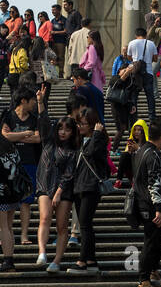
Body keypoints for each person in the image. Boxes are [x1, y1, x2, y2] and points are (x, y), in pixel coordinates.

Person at [0, 85, 43, 268]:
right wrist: (26, 134)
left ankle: (10, 255)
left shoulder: (32, 119)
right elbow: (7, 135)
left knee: (7, 221)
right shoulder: (8, 117)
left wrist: (14, 136)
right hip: (10, 174)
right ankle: (8, 257)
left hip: (13, 173)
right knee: (7, 222)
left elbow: (37, 138)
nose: (34, 103)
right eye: (33, 100)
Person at [35, 113, 78, 272]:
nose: (63, 132)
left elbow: (69, 173)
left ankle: (57, 261)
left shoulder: (73, 150)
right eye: (60, 128)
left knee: (62, 226)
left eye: (67, 129)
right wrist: (40, 104)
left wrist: (59, 192)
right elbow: (43, 124)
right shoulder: (48, 142)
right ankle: (42, 252)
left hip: (64, 190)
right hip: (45, 185)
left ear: (72, 132)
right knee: (44, 218)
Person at [131, 117, 161, 287]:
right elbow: (154, 183)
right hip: (150, 206)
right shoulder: (152, 154)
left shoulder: (141, 151)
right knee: (150, 242)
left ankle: (152, 273)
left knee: (155, 240)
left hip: (142, 203)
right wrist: (160, 208)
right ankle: (144, 282)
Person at [70, 107, 109, 275]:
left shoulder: (98, 140)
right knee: (86, 224)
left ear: (93, 124)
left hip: (91, 187)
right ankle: (91, 260)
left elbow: (91, 153)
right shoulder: (78, 140)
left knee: (84, 224)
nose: (80, 127)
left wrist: (97, 135)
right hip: (78, 186)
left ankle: (81, 261)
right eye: (79, 123)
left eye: (84, 124)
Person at [126, 26, 158, 123]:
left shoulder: (132, 43)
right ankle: (152, 117)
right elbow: (156, 59)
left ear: (136, 35)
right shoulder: (151, 44)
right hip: (148, 72)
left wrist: (137, 62)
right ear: (146, 35)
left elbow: (128, 57)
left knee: (134, 96)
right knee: (150, 96)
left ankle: (134, 117)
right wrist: (147, 61)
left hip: (136, 73)